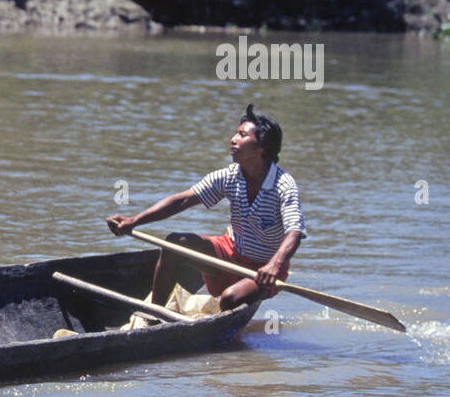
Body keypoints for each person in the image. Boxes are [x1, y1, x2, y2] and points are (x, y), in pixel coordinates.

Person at [106, 104, 306, 310]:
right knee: (175, 243)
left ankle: (229, 307)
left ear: (261, 147)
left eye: (242, 135)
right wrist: (134, 221)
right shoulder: (230, 175)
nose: (233, 139)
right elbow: (183, 200)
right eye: (235, 133)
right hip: (231, 251)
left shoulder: (283, 184)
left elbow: (295, 232)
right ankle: (154, 314)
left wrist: (274, 265)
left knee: (230, 299)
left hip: (263, 269)